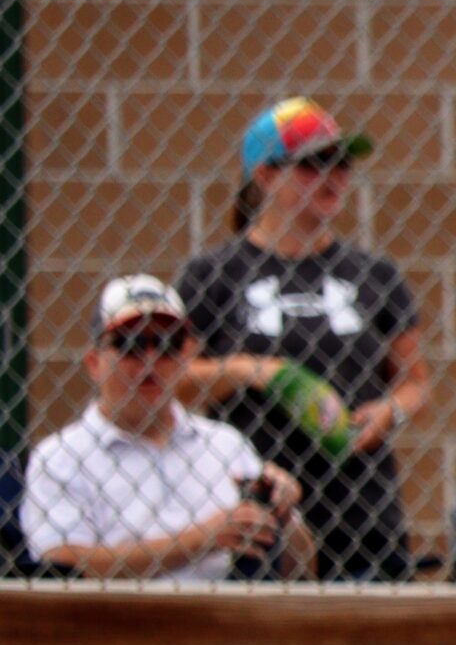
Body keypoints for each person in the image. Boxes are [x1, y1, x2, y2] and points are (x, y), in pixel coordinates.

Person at [176, 97, 430, 580]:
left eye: (341, 162)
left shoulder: (374, 274)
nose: (334, 176)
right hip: (261, 498)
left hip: (360, 501)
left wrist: (389, 411)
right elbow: (177, 383)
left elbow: (416, 382)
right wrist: (256, 371)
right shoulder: (212, 276)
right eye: (313, 164)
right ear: (266, 176)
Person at [23, 276, 313, 580]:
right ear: (95, 362)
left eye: (167, 344)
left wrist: (284, 516)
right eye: (131, 344)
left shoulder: (225, 444)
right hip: (114, 624)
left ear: (186, 356)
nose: (150, 360)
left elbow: (303, 572)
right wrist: (202, 539)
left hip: (224, 622)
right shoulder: (61, 457)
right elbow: (61, 567)